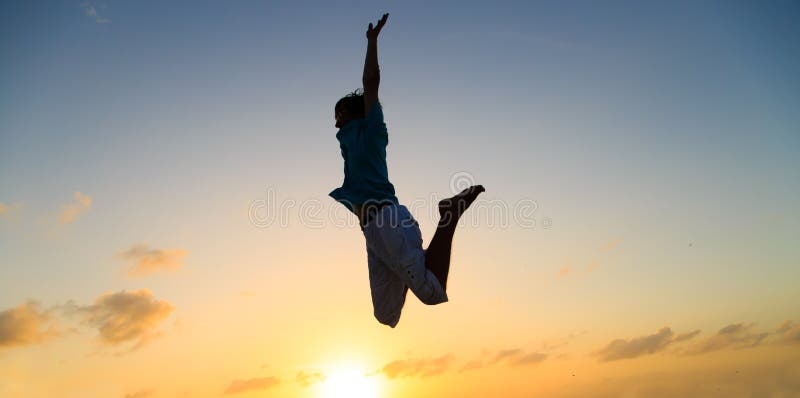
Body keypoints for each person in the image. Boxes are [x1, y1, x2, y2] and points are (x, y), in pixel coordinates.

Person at [330, 13, 485, 327]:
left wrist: (372, 42)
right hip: (373, 234)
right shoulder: (348, 144)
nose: (336, 122)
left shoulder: (371, 131)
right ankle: (413, 265)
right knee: (386, 315)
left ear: (358, 114)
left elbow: (370, 81)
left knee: (429, 292)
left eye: (341, 113)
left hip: (389, 221)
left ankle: (449, 214)